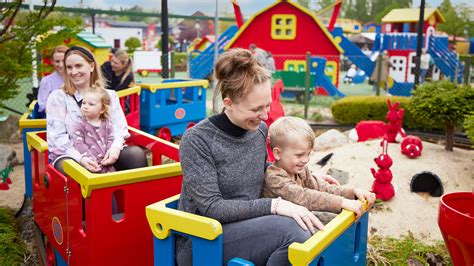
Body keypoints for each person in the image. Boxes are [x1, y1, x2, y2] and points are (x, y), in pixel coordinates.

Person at [177, 48, 330, 265]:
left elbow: (260, 169)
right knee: (294, 231)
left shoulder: (259, 130)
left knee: (311, 225)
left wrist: (309, 178)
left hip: (249, 225)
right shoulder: (197, 140)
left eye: (267, 105)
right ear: (228, 103)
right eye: (256, 109)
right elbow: (212, 207)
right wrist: (273, 205)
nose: (266, 115)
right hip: (202, 240)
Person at [46, 46, 147, 174]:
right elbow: (57, 138)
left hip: (105, 150)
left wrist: (115, 149)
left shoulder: (109, 95)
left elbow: (119, 127)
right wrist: (81, 158)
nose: (73, 72)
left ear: (92, 66)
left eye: (78, 66)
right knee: (73, 169)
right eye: (69, 67)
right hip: (73, 155)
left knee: (135, 154)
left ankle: (137, 193)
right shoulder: (58, 97)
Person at [262, 116, 376, 224]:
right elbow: (303, 196)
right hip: (281, 228)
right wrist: (341, 202)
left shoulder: (300, 170)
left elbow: (321, 188)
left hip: (298, 221)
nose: (306, 160)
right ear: (278, 153)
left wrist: (352, 193)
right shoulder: (274, 178)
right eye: (299, 155)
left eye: (308, 154)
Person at [72, 88, 115, 173]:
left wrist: (108, 155)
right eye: (84, 103)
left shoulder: (106, 123)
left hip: (107, 163)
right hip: (89, 164)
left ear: (102, 109)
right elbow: (79, 144)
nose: (85, 106)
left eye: (91, 104)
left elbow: (111, 138)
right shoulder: (80, 125)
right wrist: (91, 158)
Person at [37, 45, 68, 114]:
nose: (61, 65)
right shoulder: (46, 81)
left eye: (64, 61)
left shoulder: (77, 78)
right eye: (57, 61)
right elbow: (42, 104)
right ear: (52, 61)